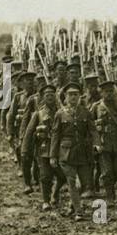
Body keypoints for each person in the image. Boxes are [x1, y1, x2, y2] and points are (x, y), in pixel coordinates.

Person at [52, 84, 96, 220]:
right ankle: (79, 211)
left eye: (76, 94)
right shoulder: (60, 114)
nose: (73, 97)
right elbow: (55, 135)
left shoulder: (85, 112)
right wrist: (53, 155)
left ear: (80, 97)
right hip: (66, 153)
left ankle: (72, 204)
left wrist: (97, 143)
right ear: (65, 97)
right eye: (70, 94)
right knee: (71, 182)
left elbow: (93, 130)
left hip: (82, 152)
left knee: (84, 183)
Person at [22, 83, 61, 212]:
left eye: (52, 94)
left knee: (63, 175)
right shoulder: (39, 114)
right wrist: (25, 150)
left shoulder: (62, 111)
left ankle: (55, 192)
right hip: (44, 148)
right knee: (45, 175)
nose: (49, 96)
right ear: (43, 97)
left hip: (61, 148)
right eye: (47, 94)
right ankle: (46, 201)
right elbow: (29, 132)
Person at [93, 79, 117, 207]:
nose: (109, 94)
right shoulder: (97, 106)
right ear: (101, 93)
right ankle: (110, 196)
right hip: (104, 143)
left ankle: (107, 183)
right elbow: (90, 126)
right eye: (106, 92)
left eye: (111, 91)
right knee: (107, 171)